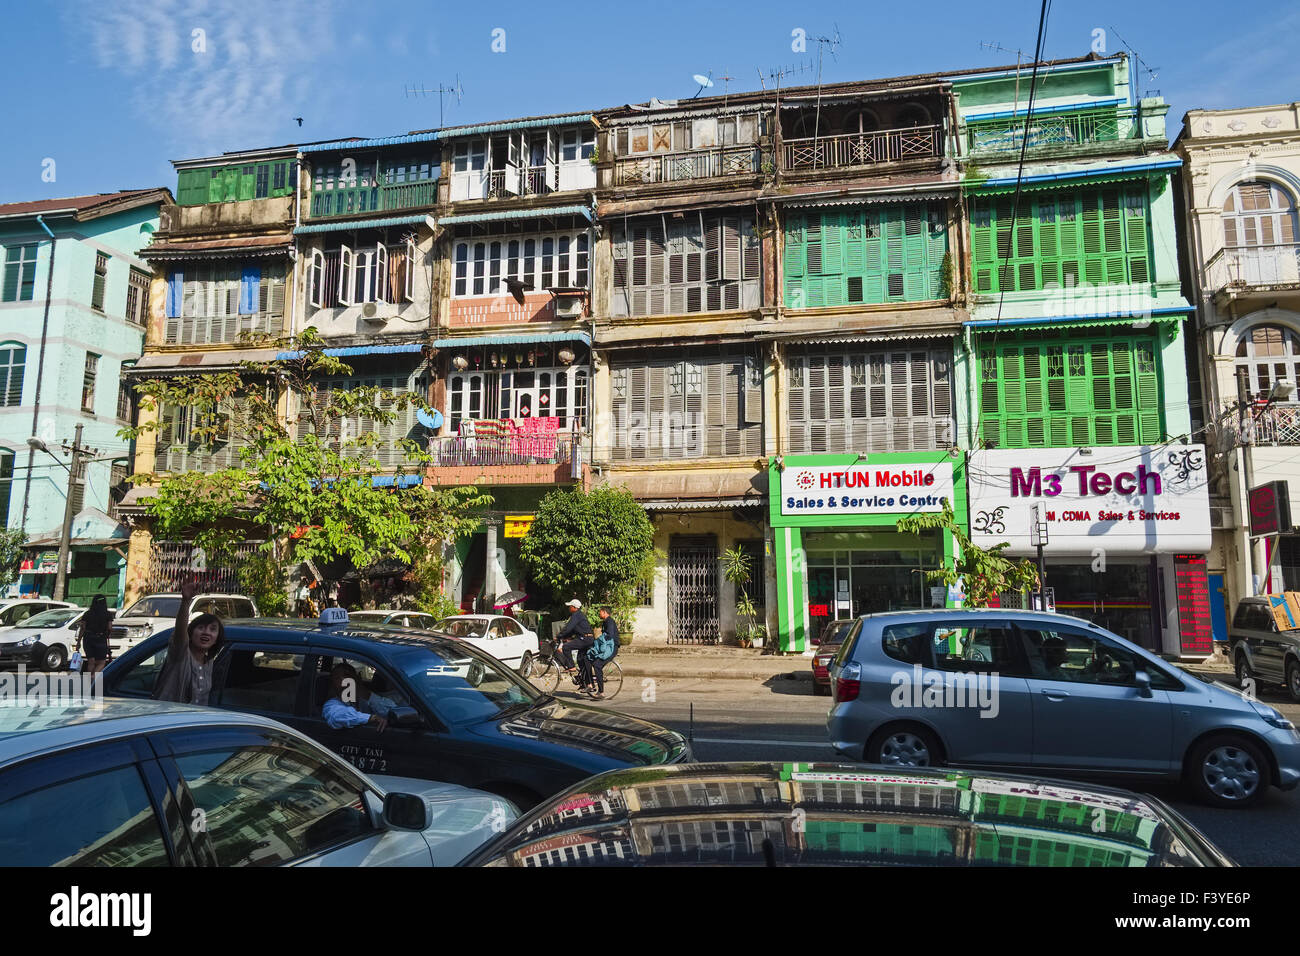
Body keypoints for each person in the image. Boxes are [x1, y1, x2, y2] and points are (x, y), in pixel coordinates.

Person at [152, 577, 224, 705]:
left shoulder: (210, 663)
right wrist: (185, 601)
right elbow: (180, 631)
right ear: (190, 633)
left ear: (217, 638)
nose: (206, 632)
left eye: (212, 629)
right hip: (170, 720)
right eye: (201, 627)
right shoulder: (180, 655)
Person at [322, 663, 393, 731]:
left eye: (347, 675)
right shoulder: (331, 704)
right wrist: (371, 718)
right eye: (337, 678)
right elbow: (337, 716)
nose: (343, 680)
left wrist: (368, 696)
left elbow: (392, 711)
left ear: (357, 678)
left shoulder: (364, 700)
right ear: (333, 684)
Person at [583, 606, 620, 700]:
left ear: (604, 612)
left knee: (597, 665)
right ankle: (590, 684)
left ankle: (601, 692)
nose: (599, 614)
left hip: (611, 649)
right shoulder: (605, 622)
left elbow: (609, 635)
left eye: (600, 612)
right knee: (587, 658)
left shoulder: (609, 621)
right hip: (605, 648)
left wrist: (598, 640)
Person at [554, 598, 594, 679]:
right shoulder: (579, 615)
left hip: (585, 639)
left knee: (566, 647)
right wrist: (565, 637)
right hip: (587, 639)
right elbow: (572, 630)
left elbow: (568, 628)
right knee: (580, 660)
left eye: (570, 606)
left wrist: (559, 636)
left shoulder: (576, 615)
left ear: (575, 607)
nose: (569, 608)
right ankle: (586, 682)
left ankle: (571, 666)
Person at [77, 596, 113, 674]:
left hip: (88, 639)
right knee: (101, 662)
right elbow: (110, 628)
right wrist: (107, 634)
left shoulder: (87, 613)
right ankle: (94, 678)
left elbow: (83, 628)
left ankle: (88, 683)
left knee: (91, 662)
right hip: (101, 638)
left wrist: (78, 642)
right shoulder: (108, 614)